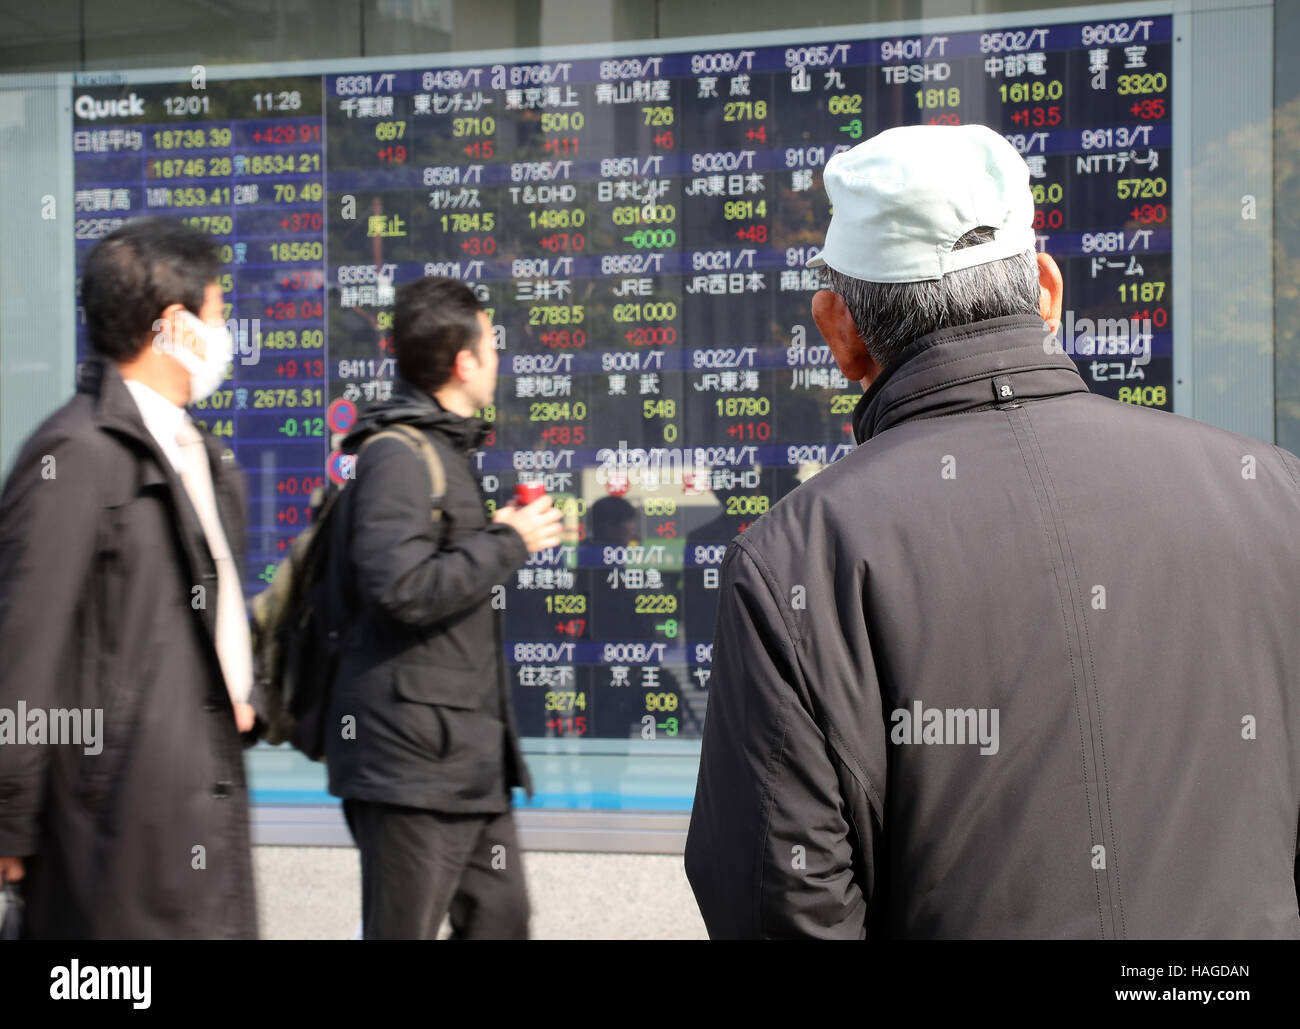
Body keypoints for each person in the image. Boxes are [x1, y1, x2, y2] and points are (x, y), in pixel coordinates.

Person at [684, 124, 1300, 939]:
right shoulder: (1274, 496)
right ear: (1047, 289)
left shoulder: (797, 558)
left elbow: (780, 902)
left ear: (840, 329)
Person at [0, 216, 258, 938]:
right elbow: (22, 647)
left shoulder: (195, 452)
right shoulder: (75, 453)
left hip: (193, 808)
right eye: (218, 312)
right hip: (115, 836)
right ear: (175, 326)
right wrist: (11, 819)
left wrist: (243, 692)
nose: (226, 331)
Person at [325, 276, 562, 940]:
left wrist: (501, 538)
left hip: (463, 766)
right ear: (463, 362)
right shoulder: (398, 457)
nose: (498, 361)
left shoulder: (444, 450)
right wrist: (510, 541)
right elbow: (400, 588)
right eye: (491, 347)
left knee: (502, 920)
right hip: (410, 771)